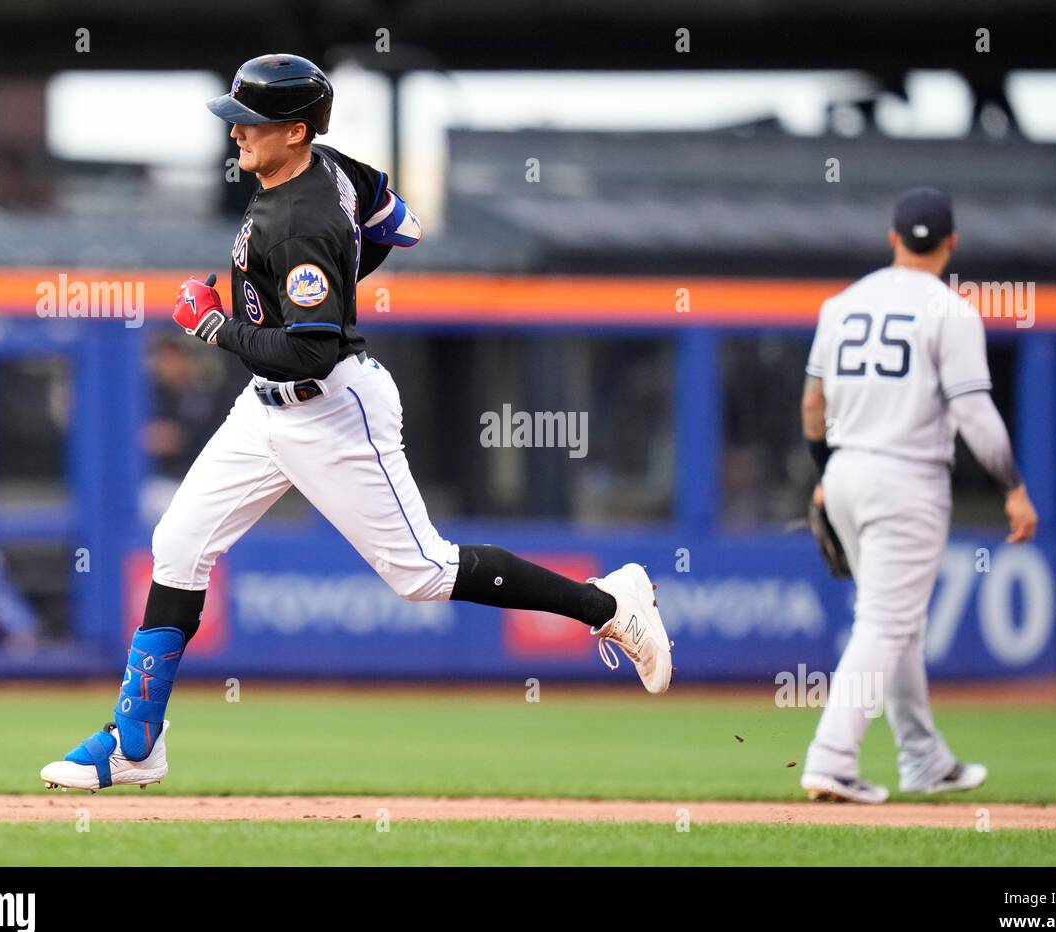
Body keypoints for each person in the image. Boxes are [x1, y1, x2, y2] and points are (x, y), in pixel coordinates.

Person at [41, 54, 672, 792]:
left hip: (330, 408)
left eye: (253, 122)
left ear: (297, 131)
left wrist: (214, 326)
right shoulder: (331, 169)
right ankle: (135, 741)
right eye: (236, 117)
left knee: (423, 573)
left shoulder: (302, 217)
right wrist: (339, 273)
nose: (237, 132)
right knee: (177, 544)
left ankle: (608, 603)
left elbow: (309, 349)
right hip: (265, 411)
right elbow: (397, 222)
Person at [797, 187, 1038, 804]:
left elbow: (813, 406)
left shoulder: (841, 304)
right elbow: (974, 411)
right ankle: (831, 758)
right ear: (952, 243)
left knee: (894, 621)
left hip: (848, 471)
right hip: (906, 478)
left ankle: (924, 757)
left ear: (893, 238)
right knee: (886, 621)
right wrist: (1012, 486)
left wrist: (824, 472)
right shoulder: (950, 311)